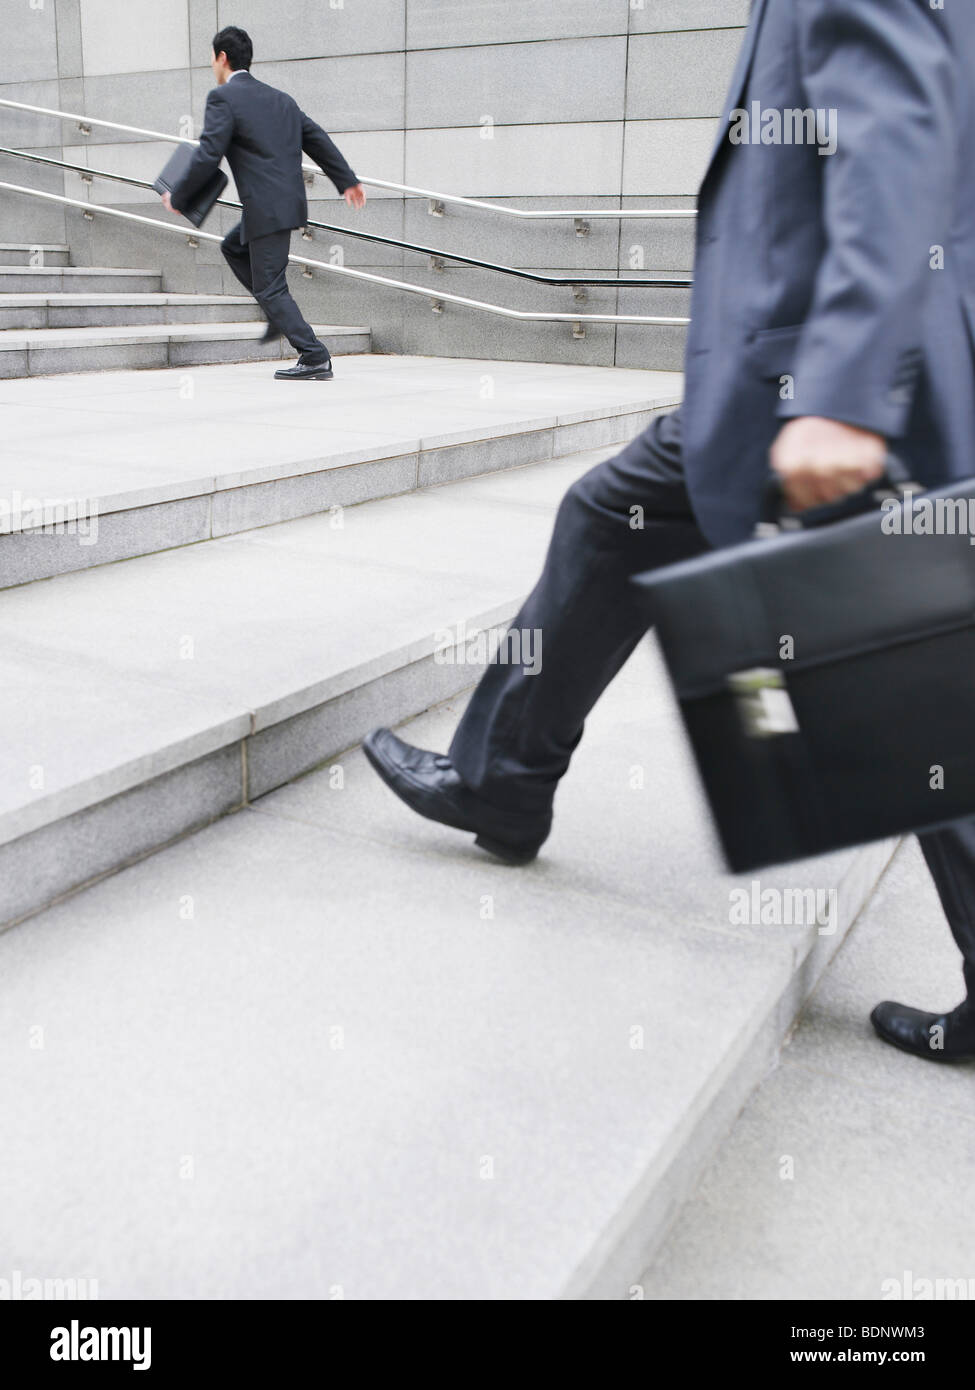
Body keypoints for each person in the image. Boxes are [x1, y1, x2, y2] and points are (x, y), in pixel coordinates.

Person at [364, 0, 975, 1063]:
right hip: (820, 366)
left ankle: (500, 780)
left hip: (817, 376)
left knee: (906, 689)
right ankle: (502, 778)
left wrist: (843, 386)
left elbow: (899, 129)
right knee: (614, 519)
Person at [161, 25, 366, 381]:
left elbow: (209, 154)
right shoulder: (280, 99)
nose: (212, 65)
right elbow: (315, 137)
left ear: (222, 58)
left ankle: (314, 354)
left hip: (266, 208)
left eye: (212, 57)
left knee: (271, 286)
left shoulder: (223, 97)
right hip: (280, 206)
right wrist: (346, 180)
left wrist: (178, 197)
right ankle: (275, 314)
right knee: (233, 247)